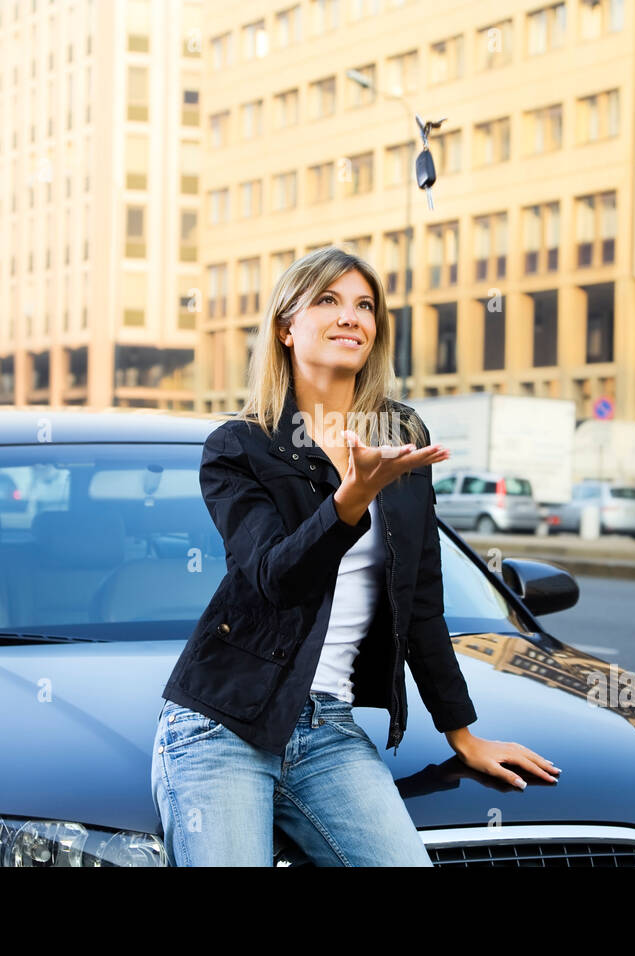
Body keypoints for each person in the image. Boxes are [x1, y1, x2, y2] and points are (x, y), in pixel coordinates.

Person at [151, 245, 559, 866]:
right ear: (287, 327)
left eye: (365, 305)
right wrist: (348, 501)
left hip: (328, 730)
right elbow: (273, 577)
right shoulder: (239, 448)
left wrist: (463, 733)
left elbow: (421, 600)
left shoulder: (401, 440)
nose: (352, 317)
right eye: (329, 301)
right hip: (223, 725)